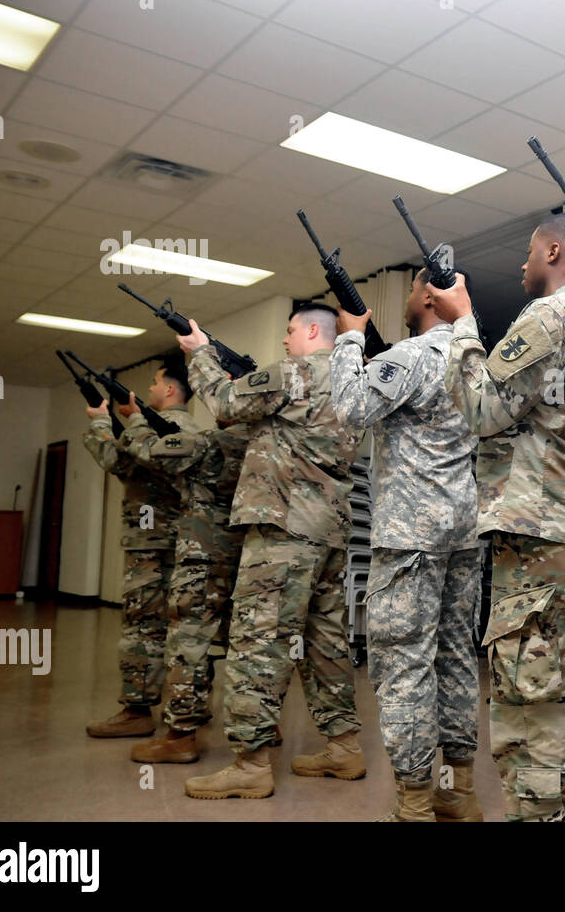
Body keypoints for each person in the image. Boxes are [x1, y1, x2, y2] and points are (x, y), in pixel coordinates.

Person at [429, 215, 565, 822]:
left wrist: (461, 324)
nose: (520, 266)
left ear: (552, 251)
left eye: (526, 254)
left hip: (541, 535)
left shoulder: (547, 318)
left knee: (530, 693)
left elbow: (486, 409)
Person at [179, 302, 364, 800]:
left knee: (259, 639)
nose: (284, 341)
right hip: (330, 530)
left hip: (283, 527)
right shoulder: (354, 380)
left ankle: (251, 762)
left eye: (289, 331)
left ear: (311, 331)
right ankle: (344, 746)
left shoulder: (294, 372)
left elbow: (225, 404)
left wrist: (200, 354)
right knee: (326, 643)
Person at [329, 270, 483, 822]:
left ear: (425, 295)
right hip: (463, 531)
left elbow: (349, 408)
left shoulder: (415, 355)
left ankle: (415, 802)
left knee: (403, 664)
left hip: (410, 536)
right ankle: (459, 792)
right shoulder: (473, 355)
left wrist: (349, 336)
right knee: (457, 656)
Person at [117, 359, 251, 764]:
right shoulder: (262, 442)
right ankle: (265, 726)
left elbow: (148, 452)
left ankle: (180, 735)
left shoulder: (213, 442)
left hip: (202, 558)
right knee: (244, 642)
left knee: (187, 642)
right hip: (243, 555)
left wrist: (138, 418)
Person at [82, 361, 197, 739]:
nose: (149, 389)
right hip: (187, 543)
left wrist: (101, 421)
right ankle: (192, 707)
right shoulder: (197, 430)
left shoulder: (146, 434)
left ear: (169, 391)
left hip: (149, 544)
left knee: (142, 628)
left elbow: (116, 460)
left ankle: (137, 710)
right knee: (187, 628)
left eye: (154, 382)